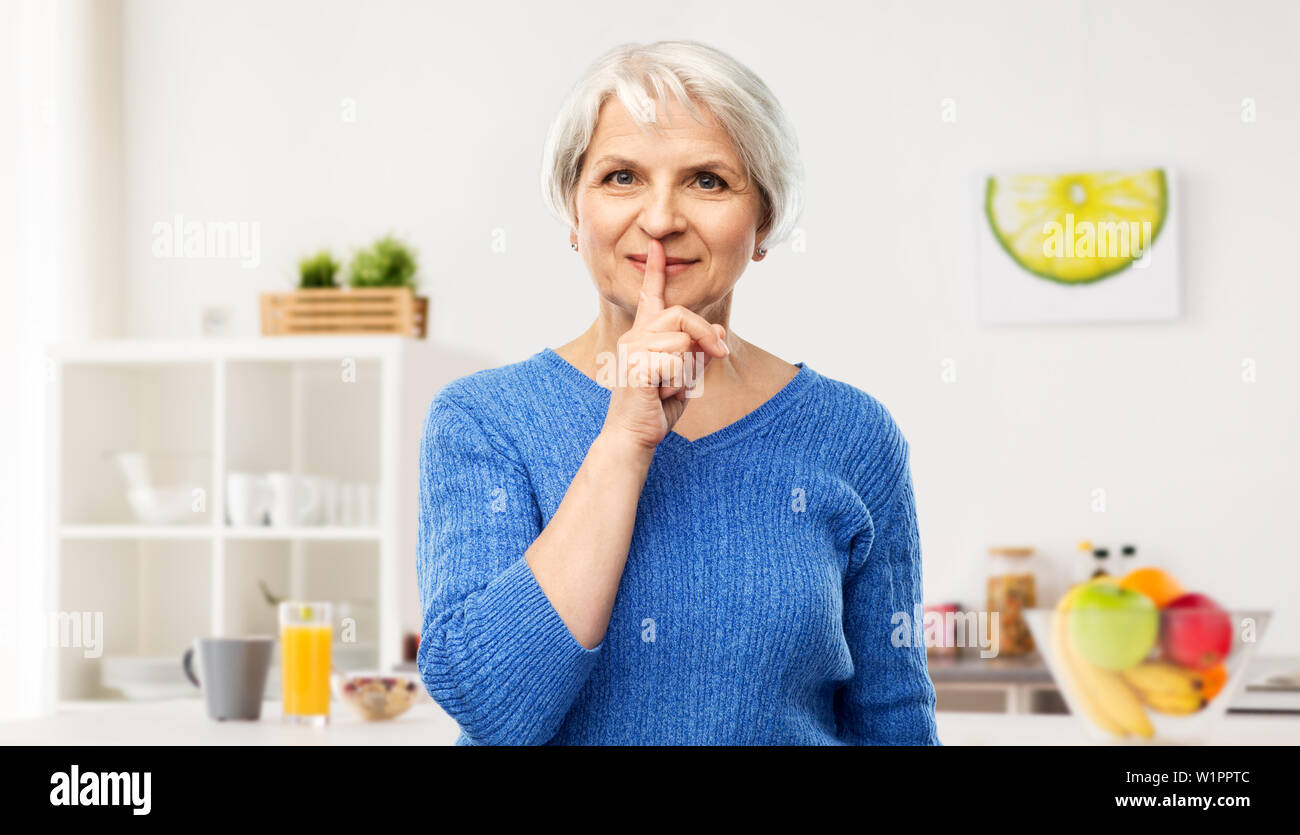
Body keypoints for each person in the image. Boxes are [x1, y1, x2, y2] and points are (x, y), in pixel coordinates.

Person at [416, 40, 940, 745]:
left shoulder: (854, 434)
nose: (661, 219)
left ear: (762, 223)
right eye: (622, 176)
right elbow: (491, 705)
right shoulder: (483, 422)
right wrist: (624, 442)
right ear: (574, 214)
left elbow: (894, 719)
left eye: (708, 181)